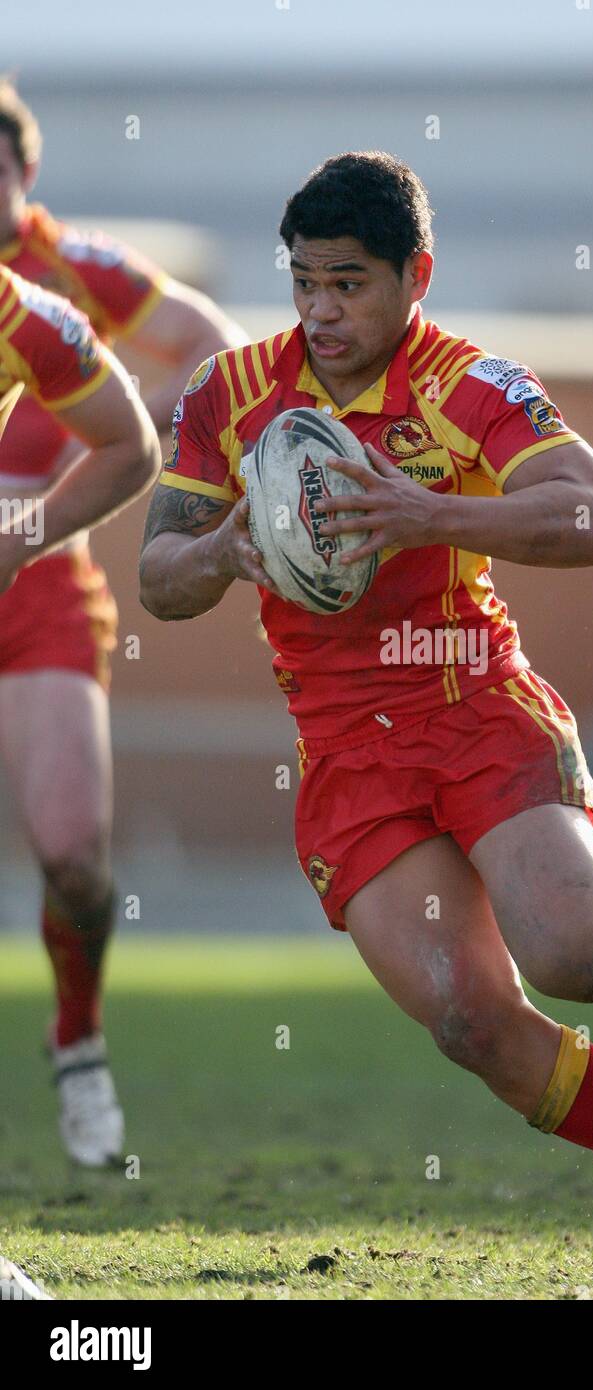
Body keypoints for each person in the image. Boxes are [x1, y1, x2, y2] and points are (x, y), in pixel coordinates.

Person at [140, 151, 593, 1268]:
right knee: (468, 1021)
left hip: (473, 701)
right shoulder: (228, 394)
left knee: (569, 960)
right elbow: (158, 579)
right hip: (344, 749)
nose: (321, 309)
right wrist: (225, 547)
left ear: (414, 275)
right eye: (303, 282)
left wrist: (423, 512)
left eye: (348, 283)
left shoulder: (470, 383)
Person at [0, 78, 244, 1165]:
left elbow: (218, 354)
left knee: (75, 858)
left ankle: (79, 1037)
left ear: (25, 174)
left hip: (39, 575)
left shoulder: (60, 286)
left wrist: (37, 516)